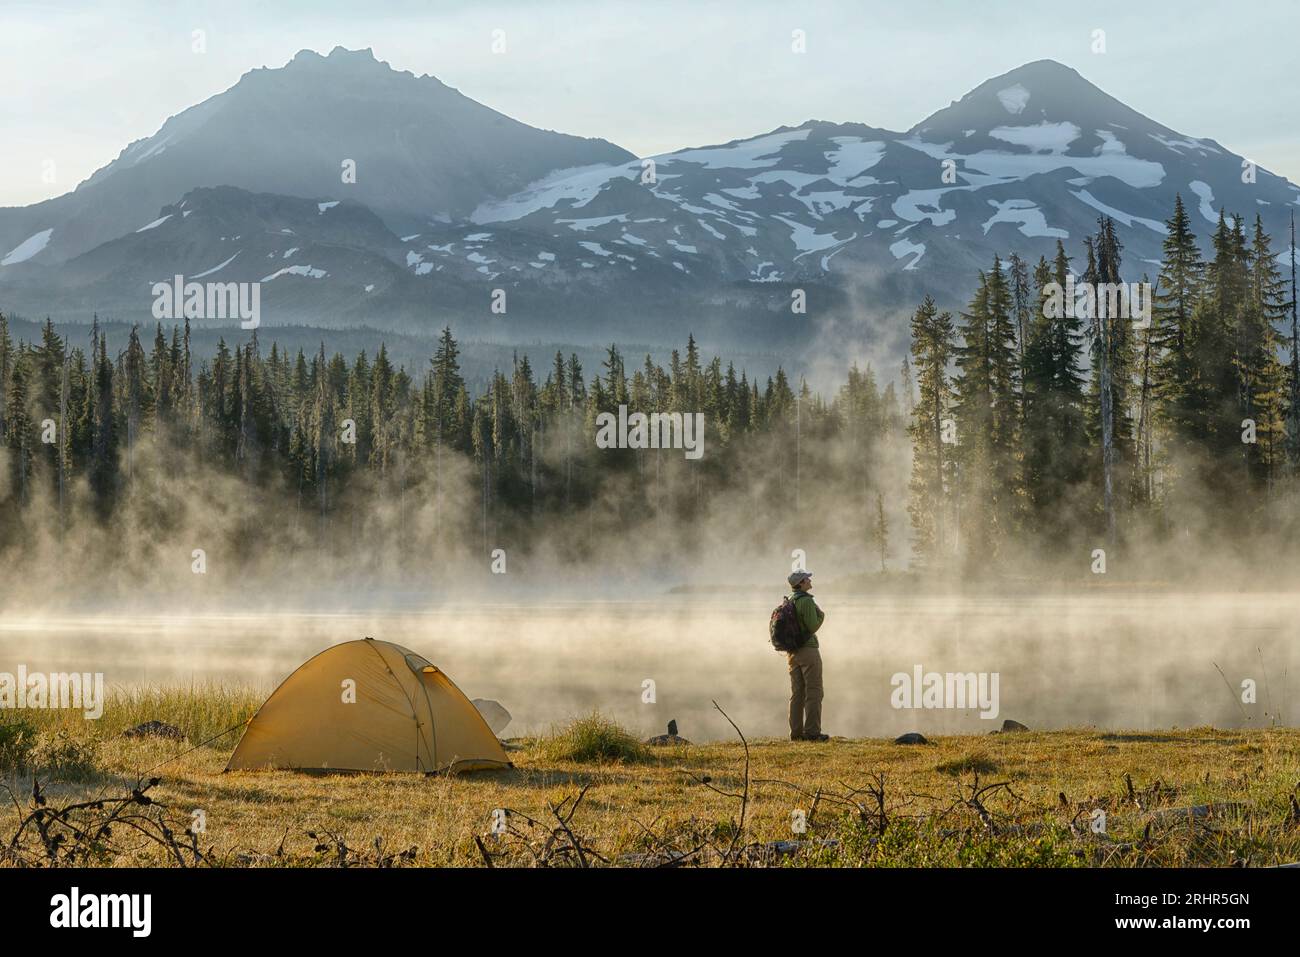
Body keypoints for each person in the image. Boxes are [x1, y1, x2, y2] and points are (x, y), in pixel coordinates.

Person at [786, 569, 828, 742]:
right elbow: (812, 626)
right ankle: (812, 732)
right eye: (807, 579)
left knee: (797, 693)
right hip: (808, 651)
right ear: (801, 583)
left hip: (792, 652)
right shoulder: (806, 601)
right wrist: (822, 616)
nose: (810, 580)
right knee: (814, 691)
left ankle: (795, 733)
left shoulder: (790, 600)